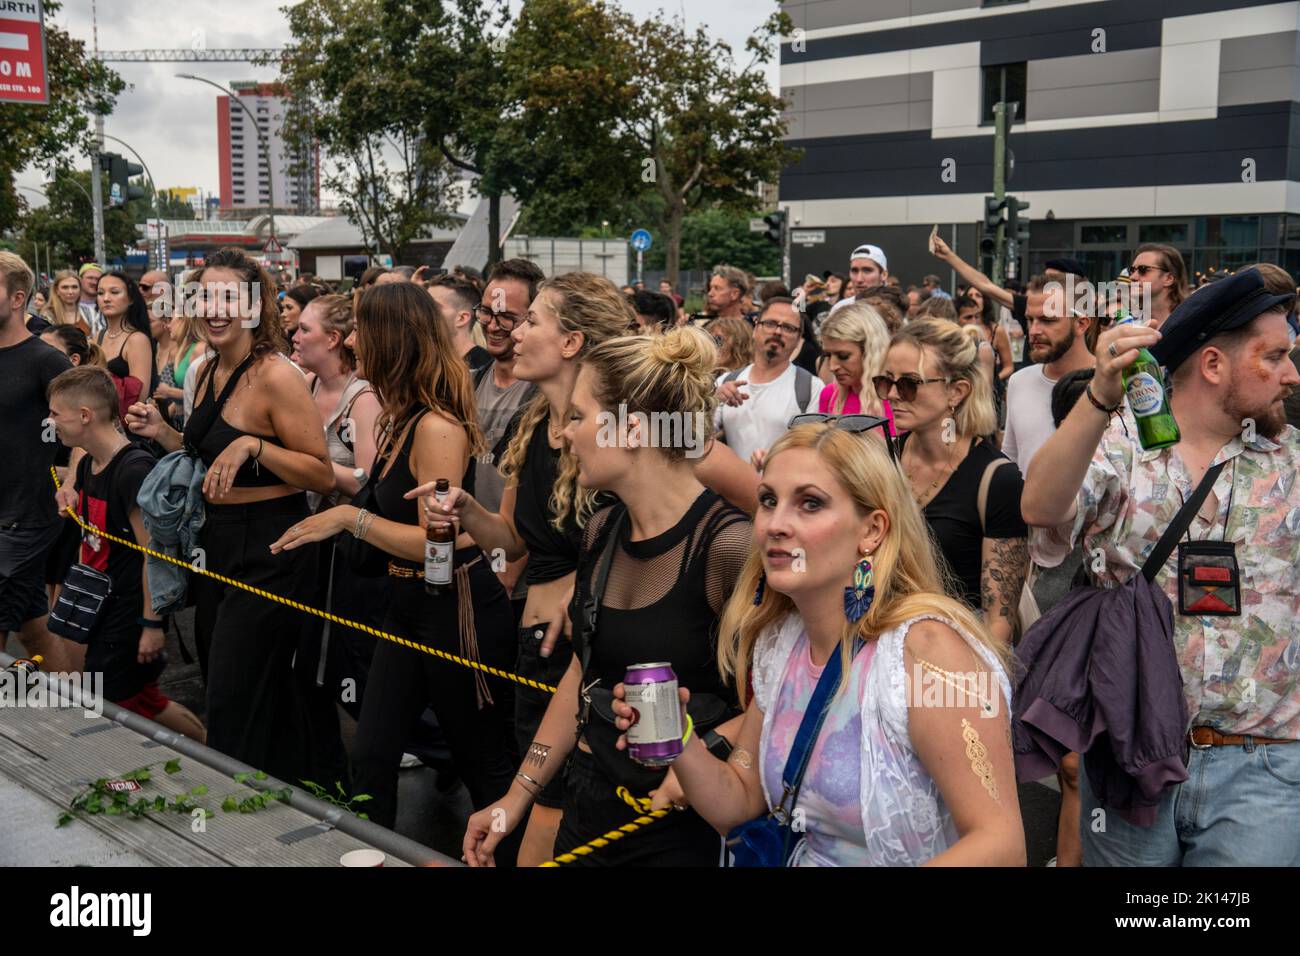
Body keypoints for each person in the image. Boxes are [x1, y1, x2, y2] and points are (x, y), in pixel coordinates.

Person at [610, 421, 1023, 865]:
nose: (775, 524)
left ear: (872, 531)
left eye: (810, 503)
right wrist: (679, 737)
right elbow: (740, 800)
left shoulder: (929, 652)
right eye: (768, 500)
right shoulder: (780, 644)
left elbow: (1000, 845)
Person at [1021, 267, 1300, 866]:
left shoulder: (1293, 463)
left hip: (1265, 766)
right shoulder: (1119, 446)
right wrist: (1100, 394)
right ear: (1213, 364)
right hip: (1130, 758)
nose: (1292, 375)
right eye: (1274, 356)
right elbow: (1039, 507)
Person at [462, 325, 752, 867]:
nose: (565, 434)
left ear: (632, 428)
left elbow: (780, 698)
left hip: (675, 825)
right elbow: (582, 675)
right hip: (588, 804)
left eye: (578, 416)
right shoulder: (602, 528)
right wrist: (517, 795)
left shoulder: (727, 545)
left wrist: (706, 755)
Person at [270, 281, 519, 847]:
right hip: (405, 604)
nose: (353, 339)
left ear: (392, 338)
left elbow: (440, 545)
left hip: (455, 608)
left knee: (483, 765)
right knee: (372, 756)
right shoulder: (398, 417)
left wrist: (348, 520)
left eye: (363, 328)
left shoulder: (434, 425)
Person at [405, 271, 634, 864]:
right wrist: (467, 509)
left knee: (559, 811)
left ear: (572, 342)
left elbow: (678, 517)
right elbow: (510, 542)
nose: (514, 331)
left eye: (531, 320)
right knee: (541, 801)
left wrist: (589, 584)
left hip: (585, 654)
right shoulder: (532, 422)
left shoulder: (619, 427)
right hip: (531, 644)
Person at [124, 246, 333, 783]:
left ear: (255, 305)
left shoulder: (277, 375)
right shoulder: (206, 369)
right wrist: (162, 433)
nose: (215, 309)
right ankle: (298, 795)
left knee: (232, 695)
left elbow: (321, 474)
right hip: (216, 542)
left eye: (228, 297)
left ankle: (233, 809)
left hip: (272, 547)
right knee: (247, 684)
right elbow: (206, 459)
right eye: (205, 297)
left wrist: (254, 447)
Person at [47, 366, 205, 740]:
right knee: (139, 701)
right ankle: (207, 750)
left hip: (130, 612)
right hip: (103, 606)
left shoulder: (134, 470)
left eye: (55, 413)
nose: (50, 422)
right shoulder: (89, 463)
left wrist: (151, 625)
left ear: (84, 415)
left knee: (132, 704)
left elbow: (155, 555)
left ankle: (207, 750)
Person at [878, 319, 1028, 647]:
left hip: (956, 648)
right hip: (880, 641)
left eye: (909, 384)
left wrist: (973, 675)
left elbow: (998, 621)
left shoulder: (997, 479)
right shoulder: (883, 459)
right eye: (885, 381)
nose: (891, 394)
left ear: (956, 391)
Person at [0, 252, 78, 673]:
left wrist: (73, 479)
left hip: (25, 519)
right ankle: (78, 704)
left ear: (17, 299)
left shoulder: (45, 359)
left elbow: (90, 422)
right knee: (34, 629)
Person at [715, 297, 820, 468]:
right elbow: (694, 442)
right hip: (731, 484)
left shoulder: (812, 388)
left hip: (782, 483)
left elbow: (813, 452)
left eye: (788, 328)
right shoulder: (725, 382)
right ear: (756, 328)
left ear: (799, 340)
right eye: (770, 323)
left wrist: (776, 459)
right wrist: (712, 401)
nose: (777, 332)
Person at [816, 302, 894, 434]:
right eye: (827, 355)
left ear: (869, 351)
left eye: (843, 356)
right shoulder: (829, 395)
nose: (832, 367)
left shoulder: (896, 399)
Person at [96, 271, 155, 416]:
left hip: (126, 421)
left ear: (131, 299)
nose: (106, 298)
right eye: (100, 293)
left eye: (114, 292)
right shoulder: (98, 336)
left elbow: (139, 396)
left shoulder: (137, 340)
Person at [427, 273, 491, 368]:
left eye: (433, 307)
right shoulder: (426, 363)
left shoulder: (485, 369)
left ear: (462, 318)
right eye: (424, 305)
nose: (424, 312)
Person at [1127, 243, 1188, 328]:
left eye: (1143, 269)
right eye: (1132, 270)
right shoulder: (1127, 322)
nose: (1132, 277)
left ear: (1168, 279)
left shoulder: (1190, 322)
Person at [830, 243, 889, 314]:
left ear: (884, 275)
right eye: (854, 271)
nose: (859, 279)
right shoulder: (839, 309)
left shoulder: (897, 308)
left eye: (867, 271)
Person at [77, 263, 104, 338]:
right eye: (90, 278)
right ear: (80, 279)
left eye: (98, 279)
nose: (94, 282)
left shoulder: (108, 306)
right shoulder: (70, 307)